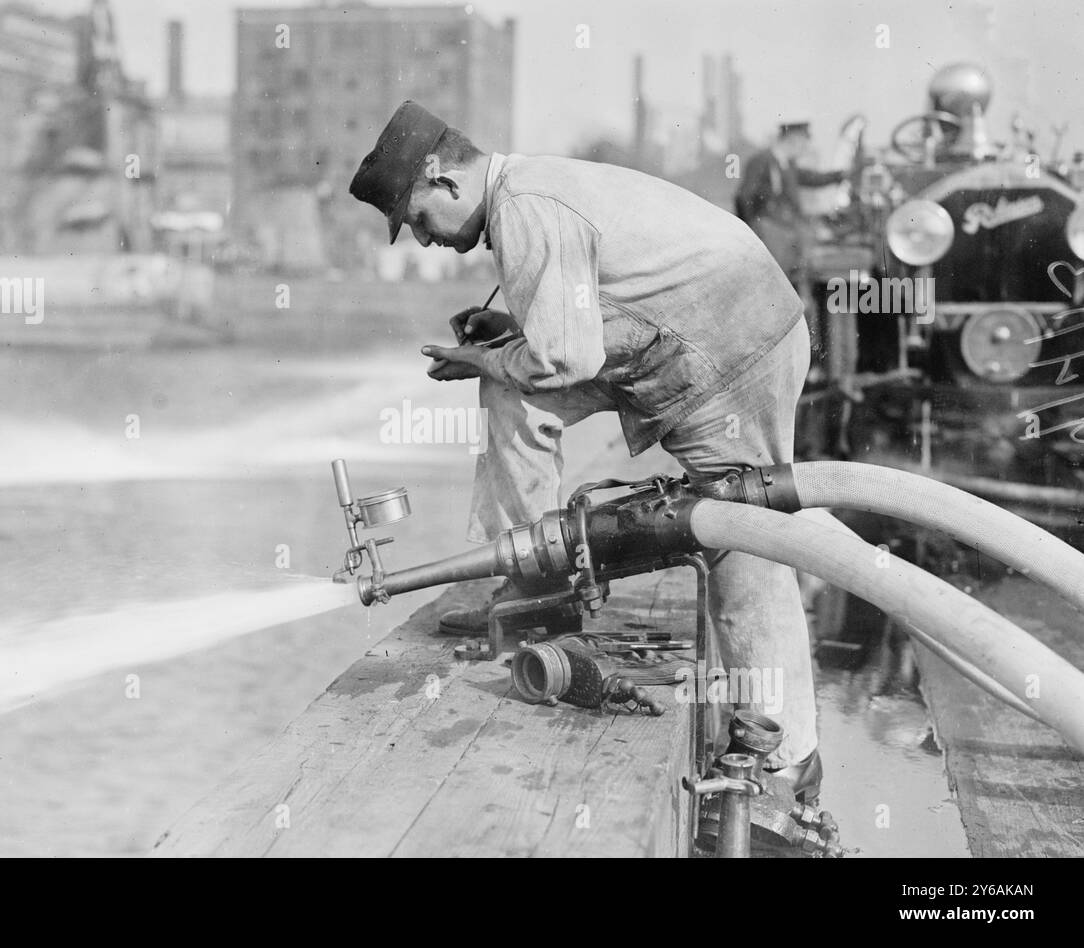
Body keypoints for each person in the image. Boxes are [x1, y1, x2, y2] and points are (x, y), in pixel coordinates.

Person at [349, 101, 822, 801]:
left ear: (440, 178)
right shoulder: (527, 192)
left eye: (418, 221)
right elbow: (584, 320)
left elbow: (563, 359)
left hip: (735, 348)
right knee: (515, 394)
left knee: (741, 529)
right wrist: (511, 334)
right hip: (683, 338)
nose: (425, 241)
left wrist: (490, 357)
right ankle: (531, 590)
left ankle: (783, 754)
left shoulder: (524, 209)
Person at [734, 120, 845, 281]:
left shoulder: (787, 165)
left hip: (788, 233)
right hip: (770, 232)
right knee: (772, 281)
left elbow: (811, 178)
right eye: (803, 144)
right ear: (794, 140)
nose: (804, 149)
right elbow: (744, 197)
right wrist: (750, 231)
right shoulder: (762, 161)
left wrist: (839, 176)